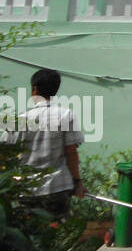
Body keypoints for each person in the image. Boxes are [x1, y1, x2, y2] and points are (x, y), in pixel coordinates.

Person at [2, 68, 85, 218]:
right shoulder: (65, 115)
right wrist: (78, 182)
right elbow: (71, 152)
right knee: (56, 234)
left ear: (34, 89)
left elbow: (5, 152)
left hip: (28, 191)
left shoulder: (21, 120)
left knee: (31, 235)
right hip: (58, 188)